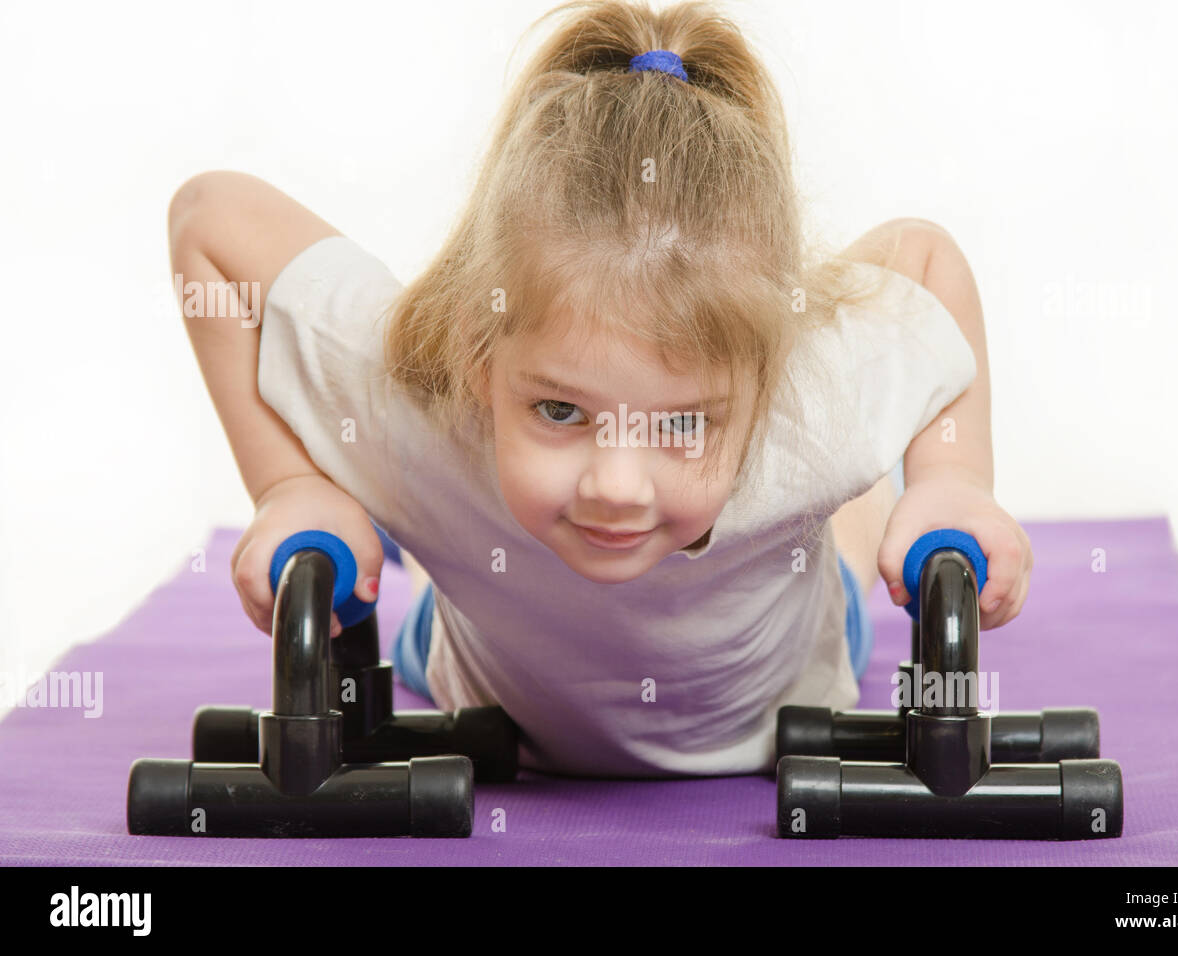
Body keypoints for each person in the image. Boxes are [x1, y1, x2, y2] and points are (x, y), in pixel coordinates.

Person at [170, 0, 1031, 778]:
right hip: (477, 665)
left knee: (842, 510)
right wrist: (291, 487)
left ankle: (837, 503)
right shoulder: (423, 407)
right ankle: (417, 522)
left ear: (769, 386)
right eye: (559, 410)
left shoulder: (813, 403)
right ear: (479, 351)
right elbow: (209, 217)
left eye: (683, 422)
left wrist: (955, 482)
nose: (615, 487)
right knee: (420, 487)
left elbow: (921, 258)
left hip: (789, 666)